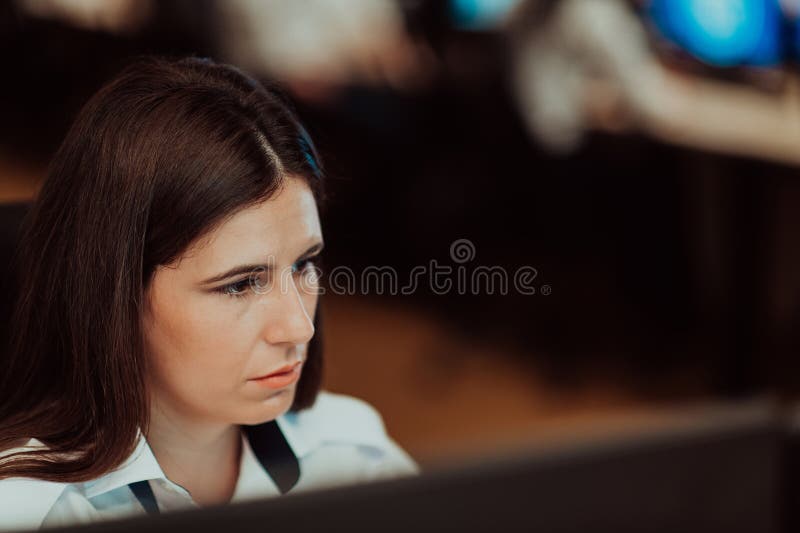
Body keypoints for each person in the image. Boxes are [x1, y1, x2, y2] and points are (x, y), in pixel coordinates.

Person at [0, 56, 418, 531]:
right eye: (240, 284)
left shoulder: (352, 453)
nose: (299, 326)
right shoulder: (31, 513)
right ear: (115, 293)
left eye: (304, 265)